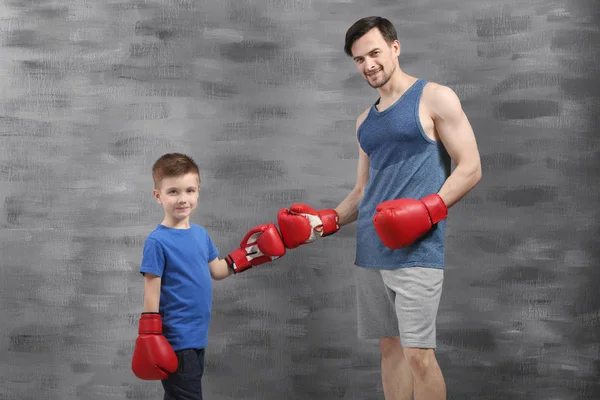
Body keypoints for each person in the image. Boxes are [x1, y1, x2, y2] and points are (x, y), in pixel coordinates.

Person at [277, 16, 482, 400]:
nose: (369, 64)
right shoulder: (364, 123)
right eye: (359, 59)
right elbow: (362, 190)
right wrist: (324, 222)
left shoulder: (434, 97)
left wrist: (426, 211)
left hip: (417, 250)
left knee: (418, 355)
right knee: (390, 350)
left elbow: (470, 167)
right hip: (370, 252)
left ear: (394, 47)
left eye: (374, 53)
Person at [131, 153, 286, 400]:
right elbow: (152, 291)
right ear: (157, 196)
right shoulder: (157, 241)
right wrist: (150, 338)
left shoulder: (201, 235)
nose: (183, 199)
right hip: (176, 339)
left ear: (198, 192)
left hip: (197, 336)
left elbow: (218, 270)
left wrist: (253, 253)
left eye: (190, 190)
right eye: (173, 192)